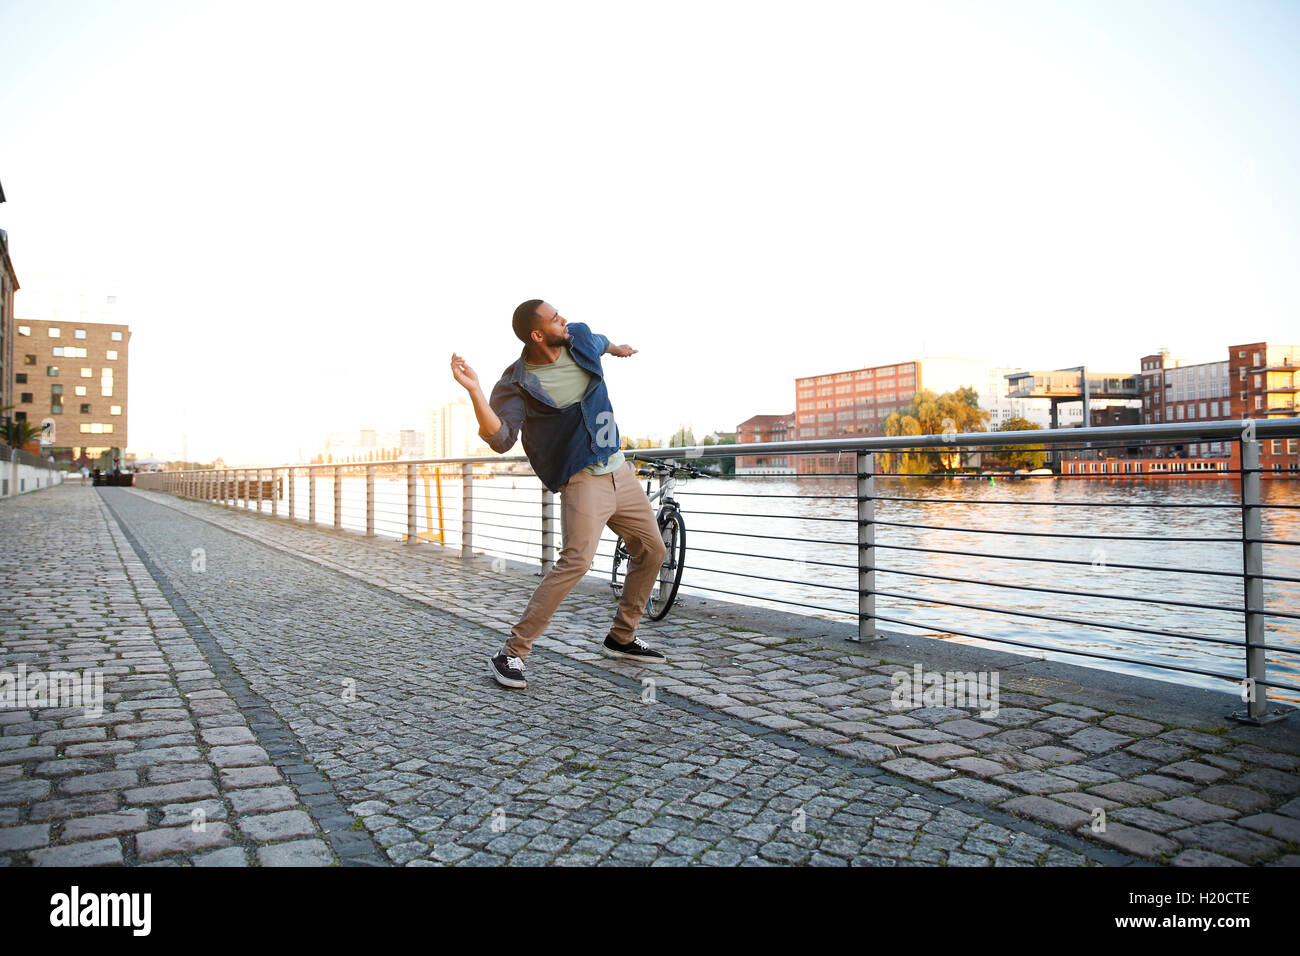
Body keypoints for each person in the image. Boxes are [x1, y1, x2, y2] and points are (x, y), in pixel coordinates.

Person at [451, 299, 669, 689]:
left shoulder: (580, 337)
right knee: (576, 562)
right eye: (555, 318)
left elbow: (601, 341)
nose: (563, 319)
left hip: (619, 467)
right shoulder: (517, 382)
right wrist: (475, 391)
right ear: (537, 334)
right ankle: (512, 653)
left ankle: (622, 637)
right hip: (583, 479)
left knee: (653, 550)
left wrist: (617, 349)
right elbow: (501, 438)